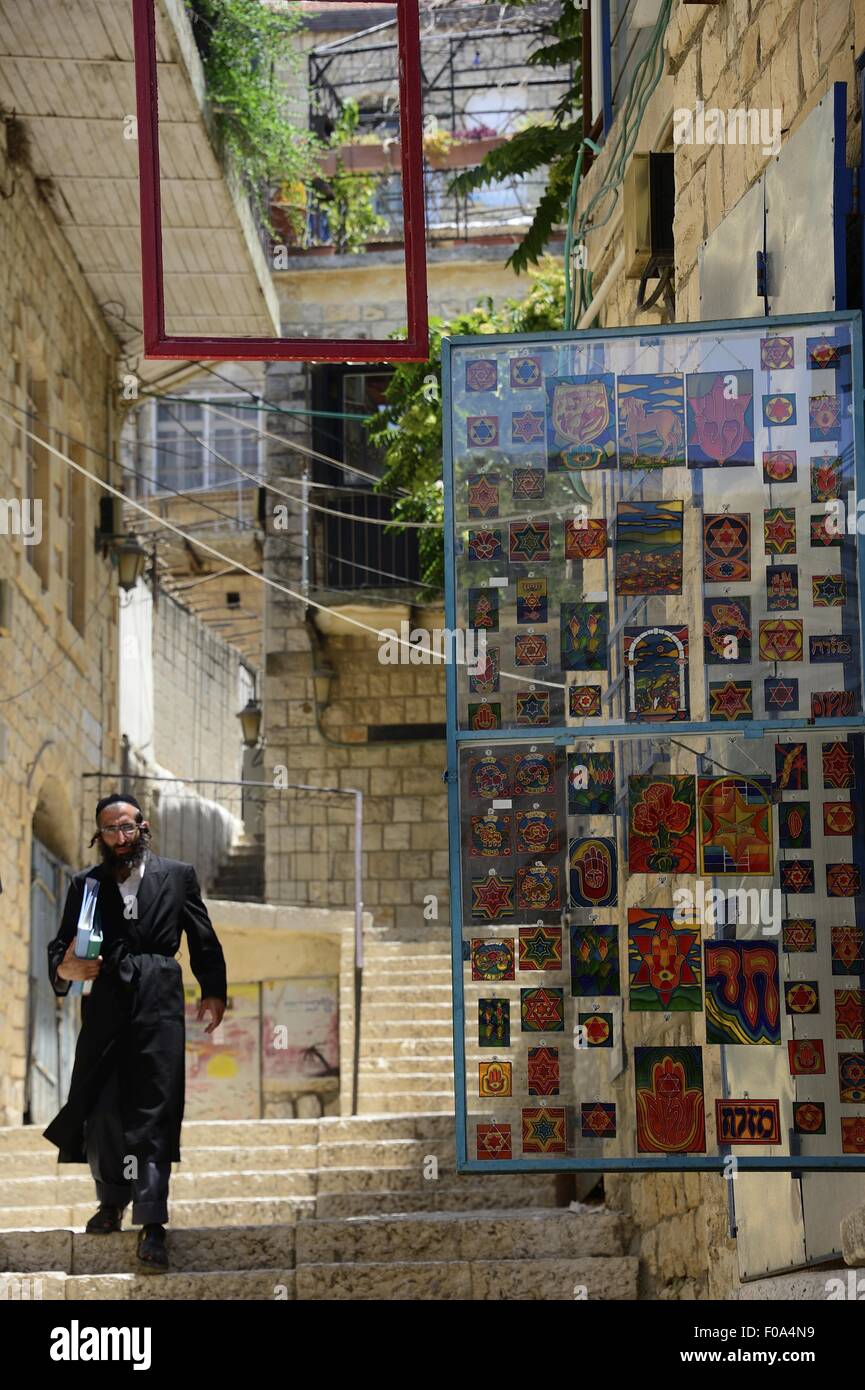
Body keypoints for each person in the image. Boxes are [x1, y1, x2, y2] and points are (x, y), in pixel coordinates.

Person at [44, 794, 227, 1272]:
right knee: (103, 1105)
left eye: (127, 828)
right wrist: (66, 967)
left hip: (159, 996)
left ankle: (152, 1222)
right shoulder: (86, 884)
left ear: (143, 827)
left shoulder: (178, 874)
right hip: (105, 998)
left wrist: (214, 989)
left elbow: (202, 935)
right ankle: (111, 1201)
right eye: (110, 830)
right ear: (99, 835)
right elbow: (62, 945)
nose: (120, 839)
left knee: (154, 1106)